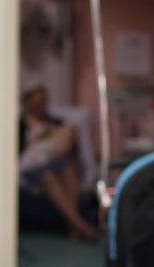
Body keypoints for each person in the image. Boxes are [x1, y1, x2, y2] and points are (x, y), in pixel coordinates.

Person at [18, 83, 99, 240]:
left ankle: (72, 225)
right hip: (34, 166)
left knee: (69, 168)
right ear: (28, 103)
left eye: (43, 102)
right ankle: (79, 225)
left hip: (57, 161)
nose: (41, 106)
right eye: (37, 102)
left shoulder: (56, 122)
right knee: (48, 177)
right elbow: (21, 152)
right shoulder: (20, 126)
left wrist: (64, 140)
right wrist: (41, 138)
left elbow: (70, 146)